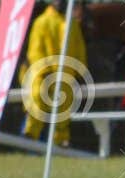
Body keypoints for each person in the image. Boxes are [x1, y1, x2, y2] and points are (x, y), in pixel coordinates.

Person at [21, 1, 86, 149]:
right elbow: (35, 51)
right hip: (43, 76)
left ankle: (60, 142)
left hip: (65, 77)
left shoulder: (72, 24)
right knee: (36, 102)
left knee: (63, 109)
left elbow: (79, 48)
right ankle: (30, 137)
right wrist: (44, 71)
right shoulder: (41, 22)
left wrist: (79, 72)